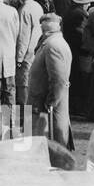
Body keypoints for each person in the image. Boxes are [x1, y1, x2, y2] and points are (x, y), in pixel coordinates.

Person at [28, 13, 73, 149]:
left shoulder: (53, 45)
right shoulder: (51, 42)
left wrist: (51, 101)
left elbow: (58, 80)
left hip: (48, 107)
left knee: (51, 147)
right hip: (44, 104)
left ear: (44, 28)